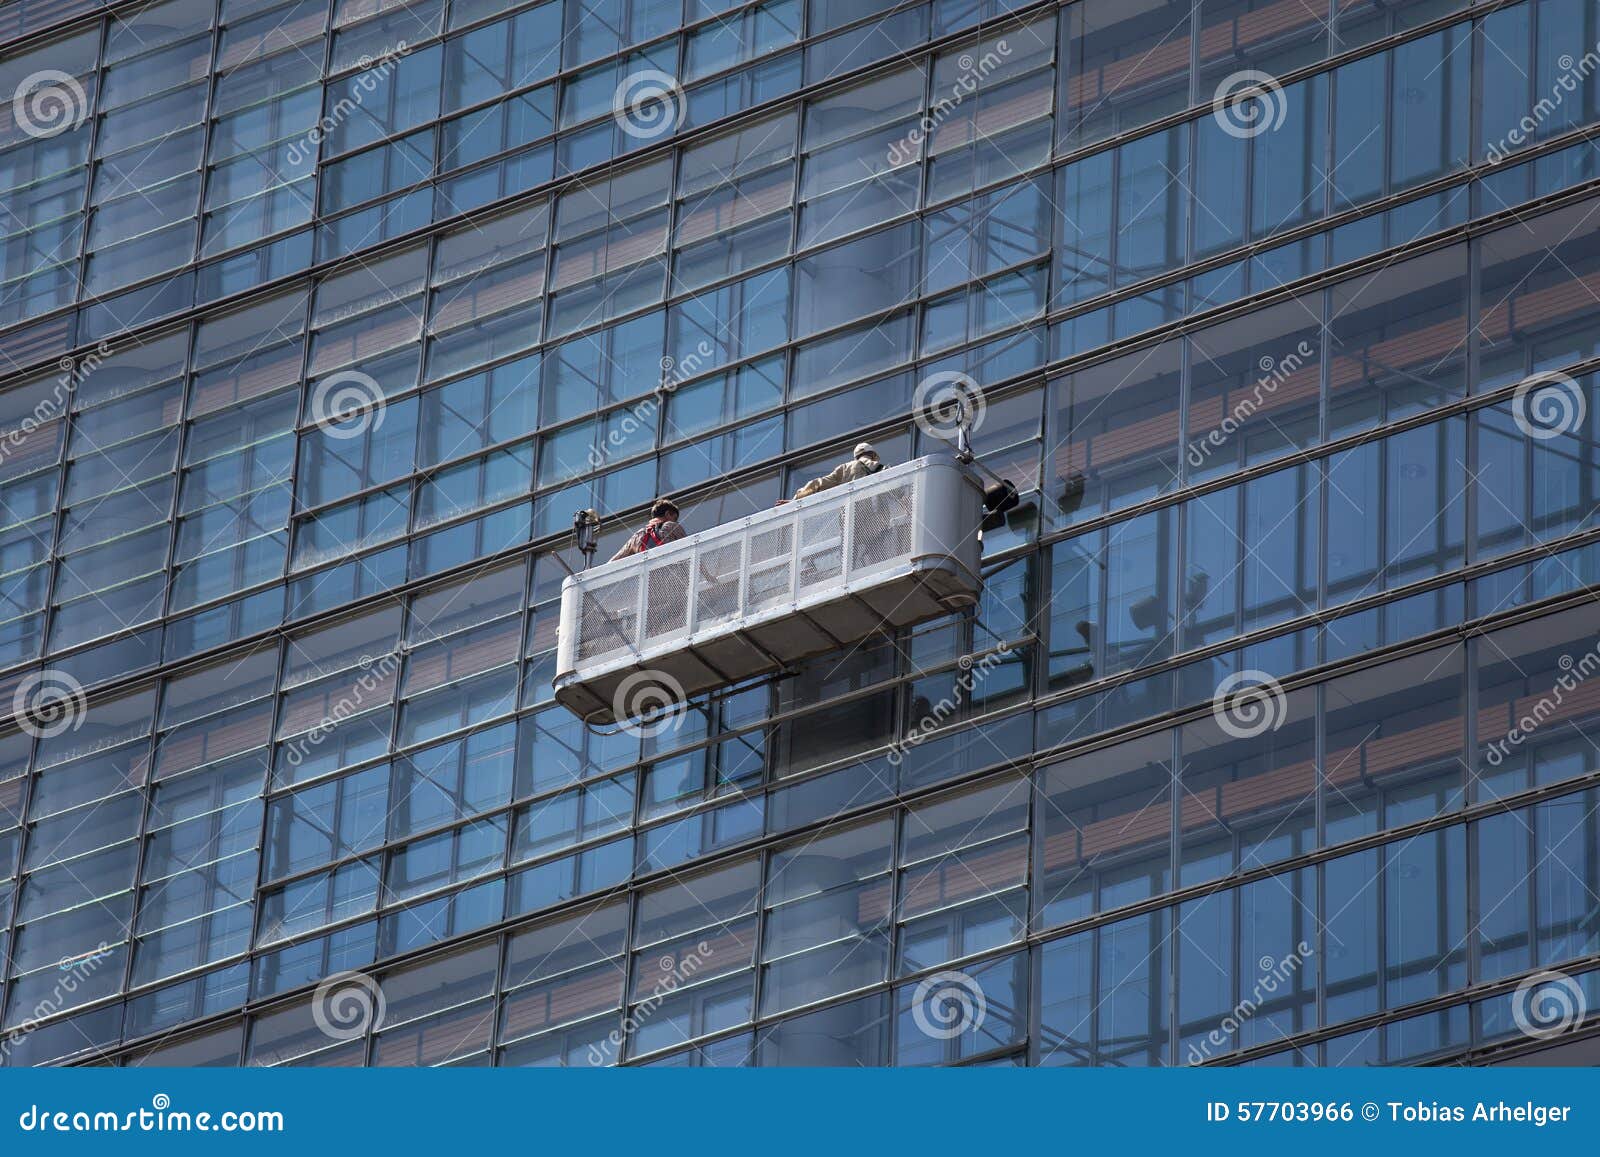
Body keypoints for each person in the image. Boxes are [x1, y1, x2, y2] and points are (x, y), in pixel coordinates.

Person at [784, 442, 885, 503]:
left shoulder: (845, 468)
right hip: (877, 518)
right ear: (872, 454)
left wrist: (796, 499)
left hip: (852, 517)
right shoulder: (880, 468)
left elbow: (819, 484)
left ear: (856, 456)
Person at [610, 498, 687, 561]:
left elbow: (614, 562)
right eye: (675, 518)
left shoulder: (637, 536)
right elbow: (688, 547)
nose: (676, 522)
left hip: (649, 578)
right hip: (673, 576)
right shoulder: (671, 525)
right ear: (667, 514)